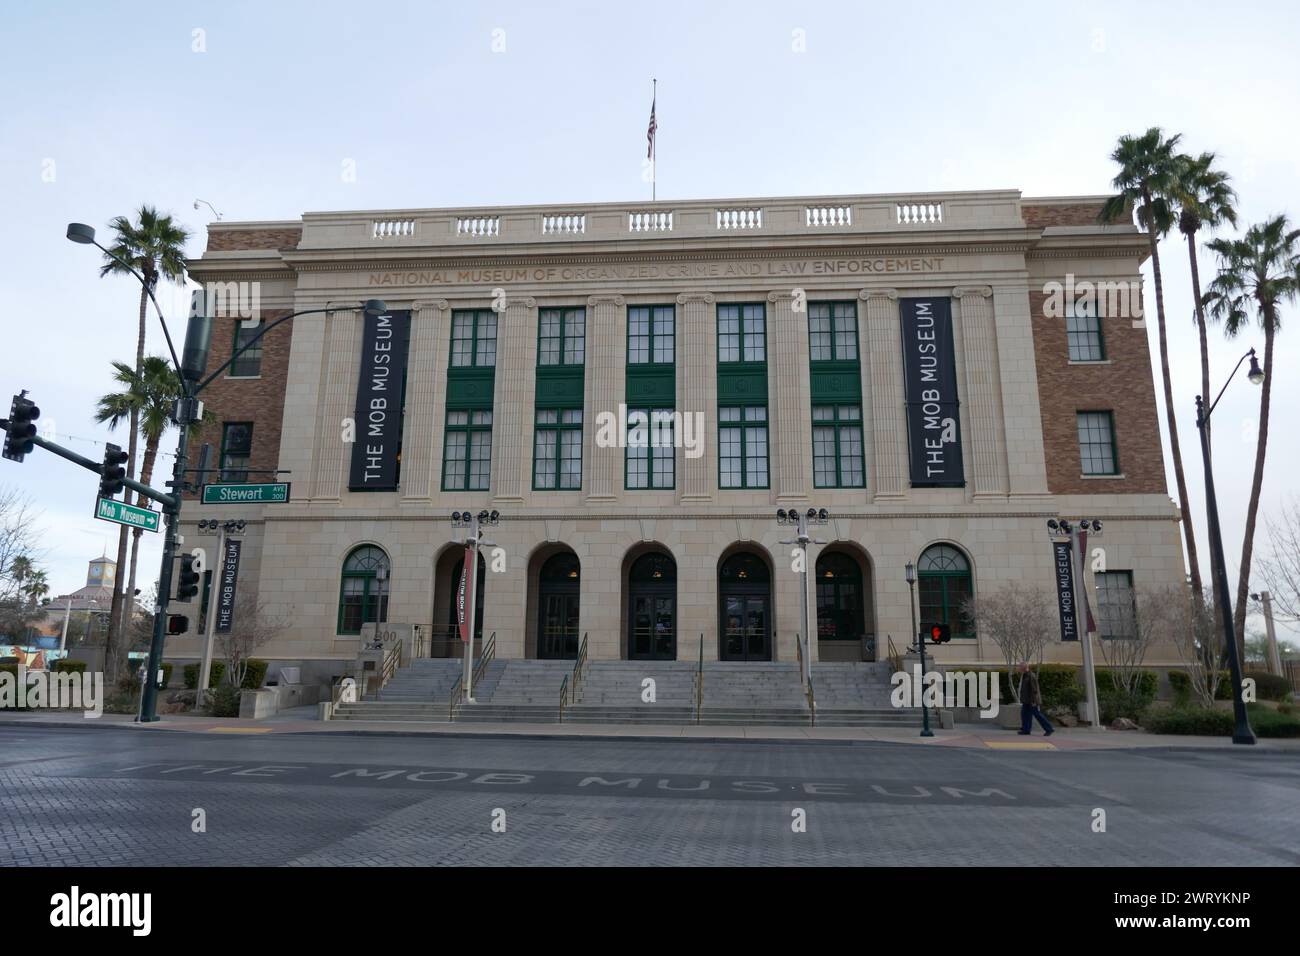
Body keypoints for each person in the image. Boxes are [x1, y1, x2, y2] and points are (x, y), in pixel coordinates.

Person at [1017, 662, 1054, 736]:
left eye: (1020, 667)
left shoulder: (1031, 676)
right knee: (1025, 714)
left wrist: (1034, 701)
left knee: (1037, 715)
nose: (1019, 668)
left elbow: (1035, 690)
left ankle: (1049, 729)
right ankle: (1026, 730)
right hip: (1026, 700)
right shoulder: (1025, 675)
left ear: (1024, 667)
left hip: (1032, 700)